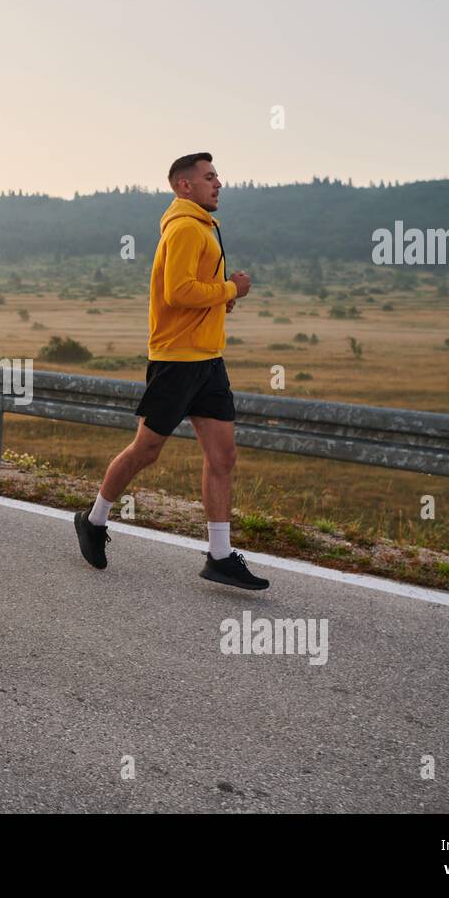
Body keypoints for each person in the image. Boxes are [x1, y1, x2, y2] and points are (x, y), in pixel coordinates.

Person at [73, 152, 270, 590]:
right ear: (185, 185)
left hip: (208, 361)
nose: (219, 183)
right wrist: (231, 288)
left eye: (217, 175)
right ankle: (94, 519)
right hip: (177, 361)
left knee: (223, 456)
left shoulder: (202, 226)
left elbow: (193, 290)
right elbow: (178, 292)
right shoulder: (183, 227)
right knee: (146, 451)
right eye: (210, 177)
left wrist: (221, 298)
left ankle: (219, 556)